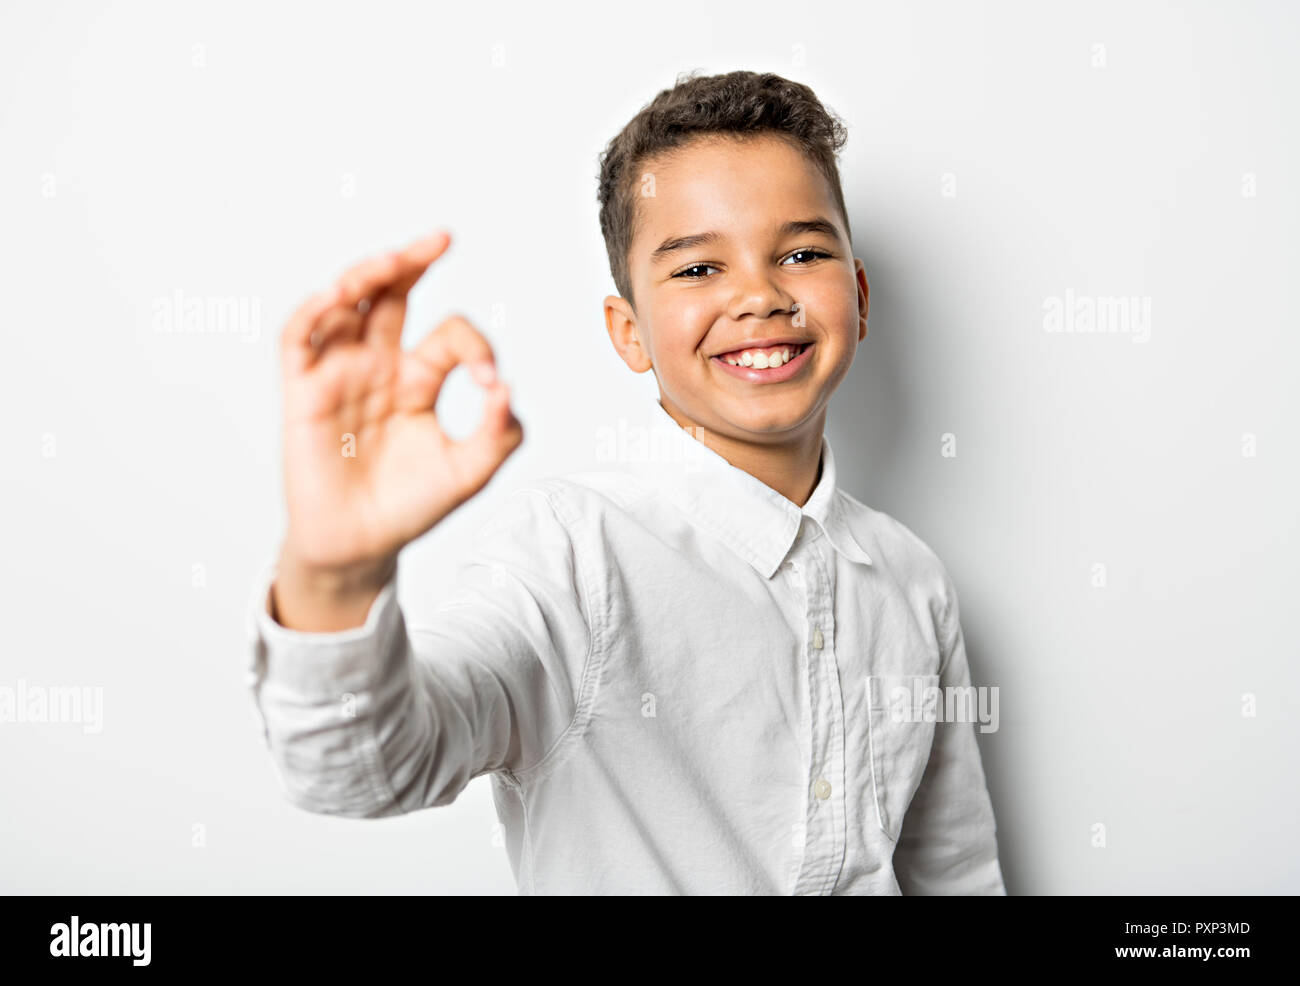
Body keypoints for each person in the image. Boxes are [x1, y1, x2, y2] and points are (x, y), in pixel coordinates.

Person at [246, 69, 1007, 895]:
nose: (759, 293)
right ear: (630, 331)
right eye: (695, 270)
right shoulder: (571, 552)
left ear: (857, 296)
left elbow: (955, 869)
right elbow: (370, 768)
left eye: (801, 253)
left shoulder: (912, 580)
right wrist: (336, 574)